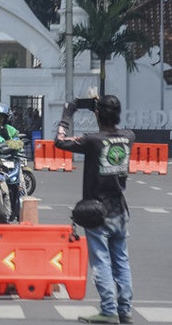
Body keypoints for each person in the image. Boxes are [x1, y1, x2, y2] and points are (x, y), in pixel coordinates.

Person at [55, 96, 134, 324]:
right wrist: (99, 110)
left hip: (97, 212)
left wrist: (68, 114)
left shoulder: (92, 140)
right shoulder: (129, 137)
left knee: (101, 262)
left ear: (98, 115)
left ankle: (108, 310)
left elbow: (59, 141)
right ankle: (125, 310)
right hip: (119, 210)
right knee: (121, 261)